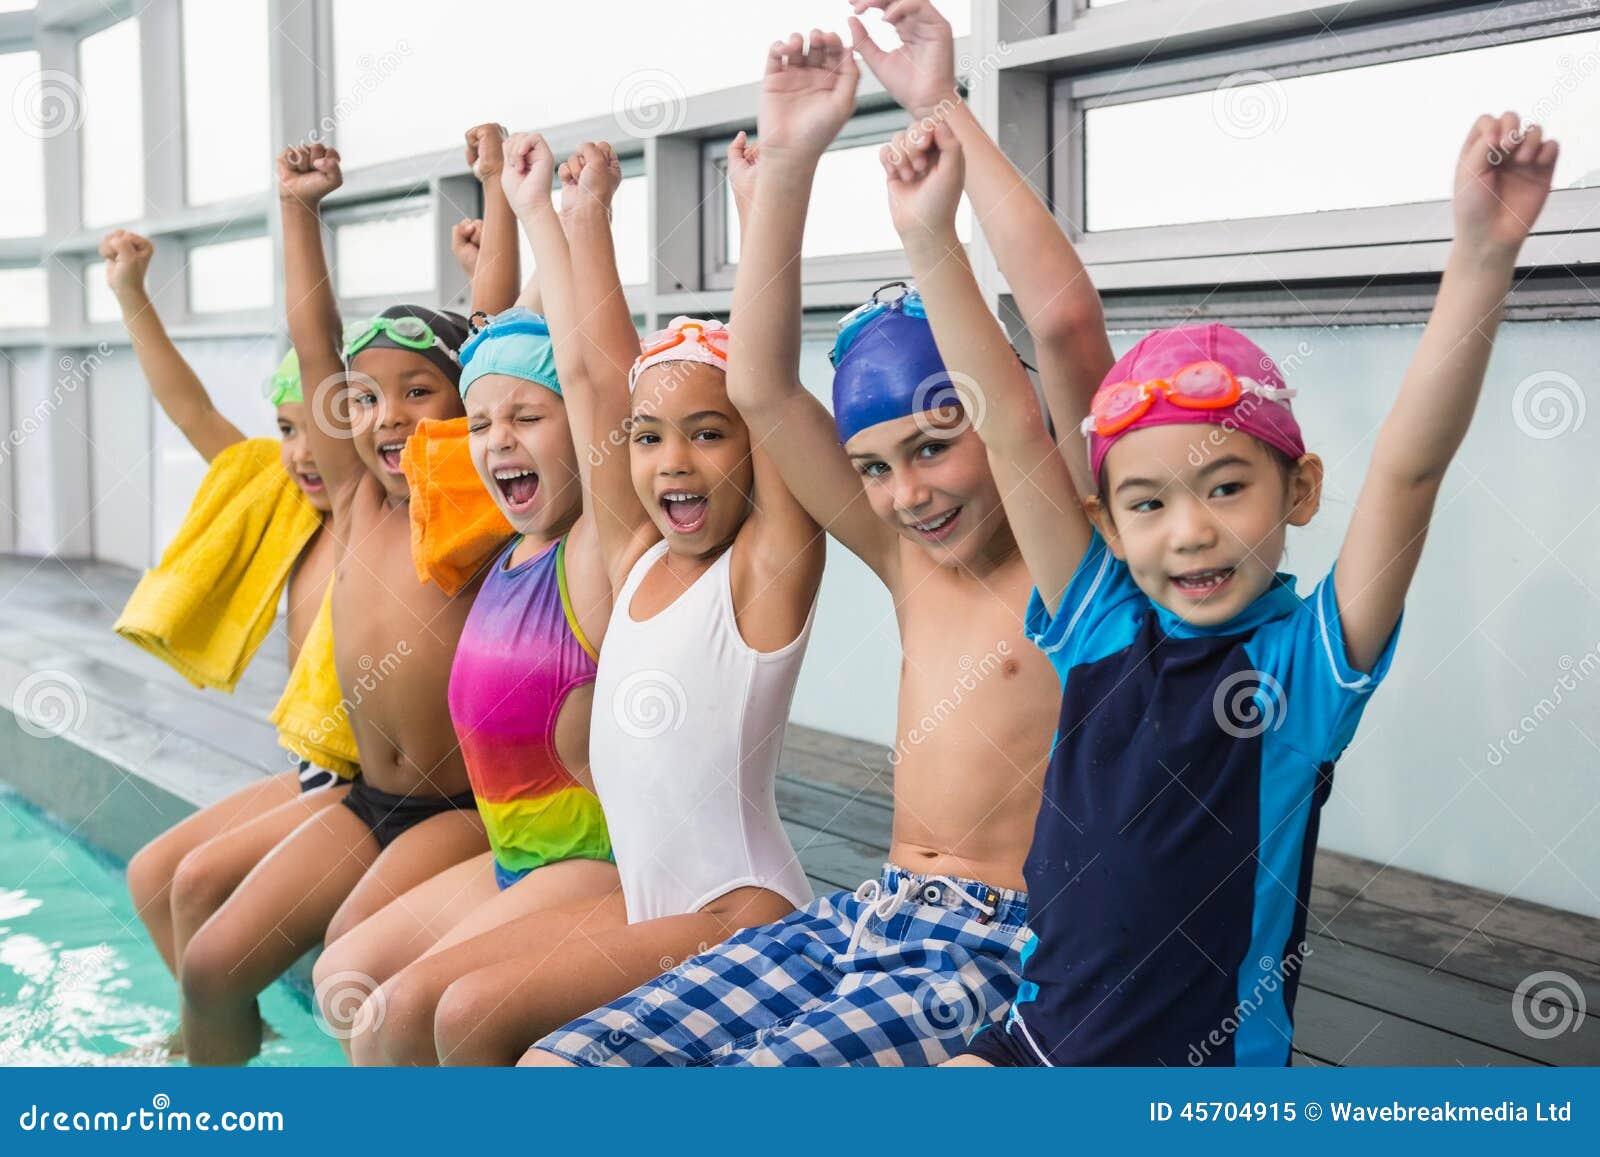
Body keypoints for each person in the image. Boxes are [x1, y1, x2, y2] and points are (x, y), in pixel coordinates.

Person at [871, 104, 1558, 1064]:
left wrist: (1482, 255)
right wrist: (927, 236)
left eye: (1227, 487)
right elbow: (1010, 427)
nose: (1191, 530)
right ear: (1106, 522)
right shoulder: (1100, 621)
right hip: (1029, 1040)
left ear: (1302, 488)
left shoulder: (1305, 672)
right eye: (1147, 503)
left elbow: (1409, 470)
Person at [524, 17, 1106, 1067]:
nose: (906, 493)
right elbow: (757, 388)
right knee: (562, 1064)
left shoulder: (1084, 562)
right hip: (875, 910)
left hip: (1004, 944)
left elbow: (1062, 324)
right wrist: (787, 162)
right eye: (874, 466)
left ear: (1005, 414)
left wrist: (939, 107)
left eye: (936, 446)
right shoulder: (910, 564)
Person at [362, 133, 824, 1067]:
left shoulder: (765, 573)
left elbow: (769, 391)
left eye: (707, 435)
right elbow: (589, 378)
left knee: (472, 1020)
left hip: (735, 907)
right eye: (649, 440)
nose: (672, 461)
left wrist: (758, 207)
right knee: (403, 1014)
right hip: (644, 904)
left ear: (750, 451)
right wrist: (567, 218)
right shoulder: (639, 559)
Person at [313, 131, 620, 1064]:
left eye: (527, 419)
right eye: (481, 426)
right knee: (343, 981)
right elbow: (491, 367)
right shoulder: (478, 535)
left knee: (403, 1014)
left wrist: (554, 220)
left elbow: (590, 377)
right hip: (509, 852)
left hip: (594, 865)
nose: (496, 440)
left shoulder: (596, 545)